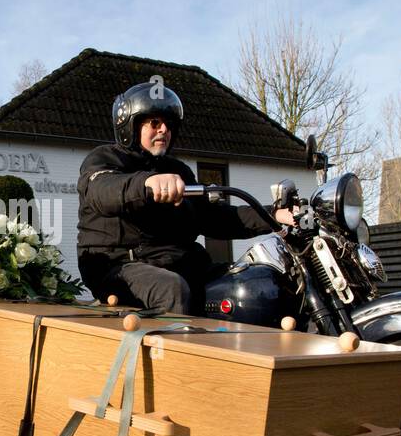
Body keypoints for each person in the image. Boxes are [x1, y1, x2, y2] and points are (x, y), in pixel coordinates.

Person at [75, 81, 297, 314]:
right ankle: (175, 350)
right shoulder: (104, 159)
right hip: (118, 267)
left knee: (251, 282)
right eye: (154, 122)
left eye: (168, 124)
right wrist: (146, 183)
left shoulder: (178, 171)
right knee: (171, 289)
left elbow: (215, 217)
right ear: (130, 125)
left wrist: (274, 215)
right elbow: (102, 190)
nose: (163, 130)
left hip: (180, 263)